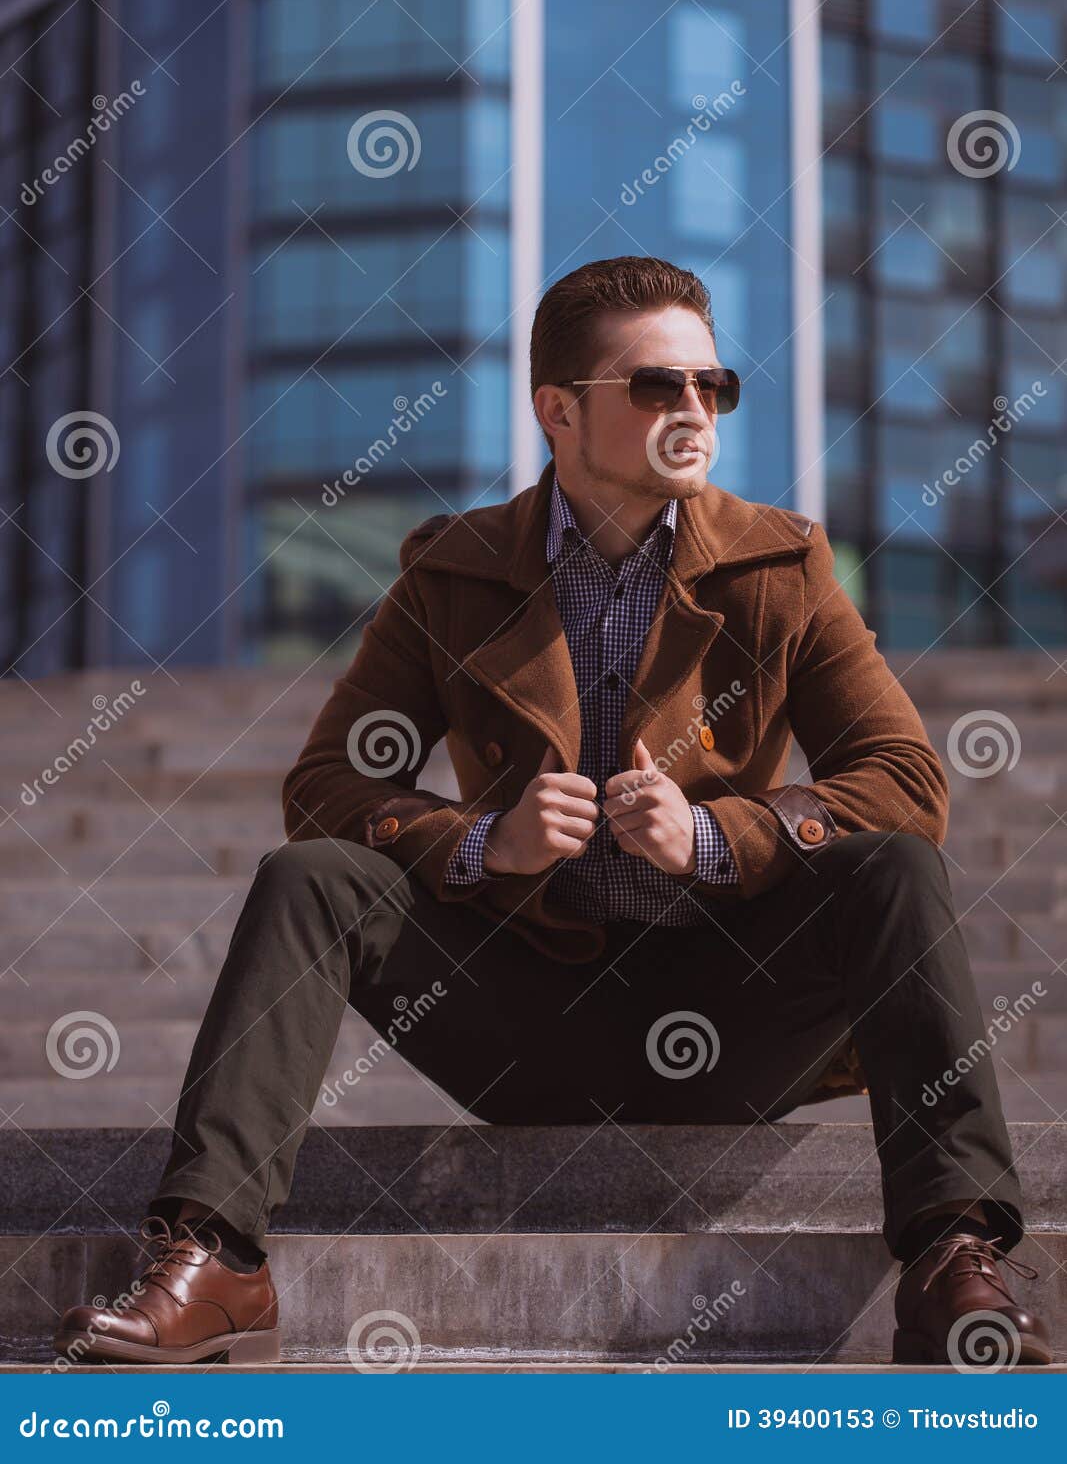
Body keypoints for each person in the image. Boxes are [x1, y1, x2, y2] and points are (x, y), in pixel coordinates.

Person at [54, 256, 1049, 1368]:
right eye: (656, 386)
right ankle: (215, 1260)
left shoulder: (781, 562)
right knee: (311, 877)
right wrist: (485, 842)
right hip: (522, 1018)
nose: (691, 410)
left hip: (732, 1015)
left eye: (709, 386)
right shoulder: (454, 571)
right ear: (558, 412)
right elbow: (326, 785)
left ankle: (951, 1257)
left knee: (895, 867)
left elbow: (903, 778)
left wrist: (722, 835)